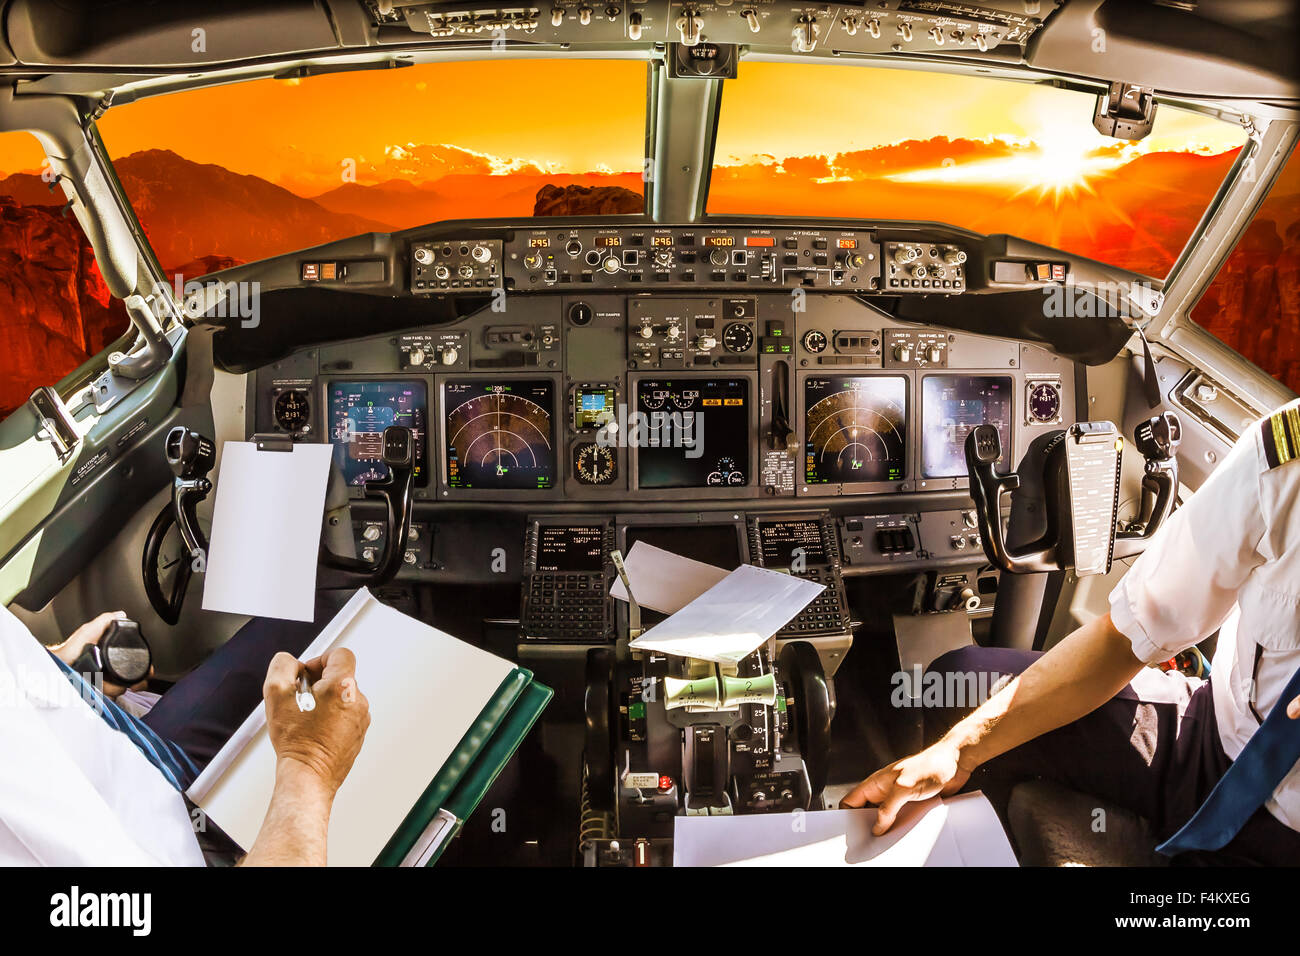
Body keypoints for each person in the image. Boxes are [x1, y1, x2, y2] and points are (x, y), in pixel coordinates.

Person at [843, 398, 1300, 866]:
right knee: (961, 681)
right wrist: (958, 751)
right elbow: (1126, 637)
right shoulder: (1285, 461)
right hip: (1211, 740)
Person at [0, 604, 369, 866]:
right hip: (189, 843)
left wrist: (69, 675)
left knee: (317, 614)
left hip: (144, 761)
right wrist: (311, 765)